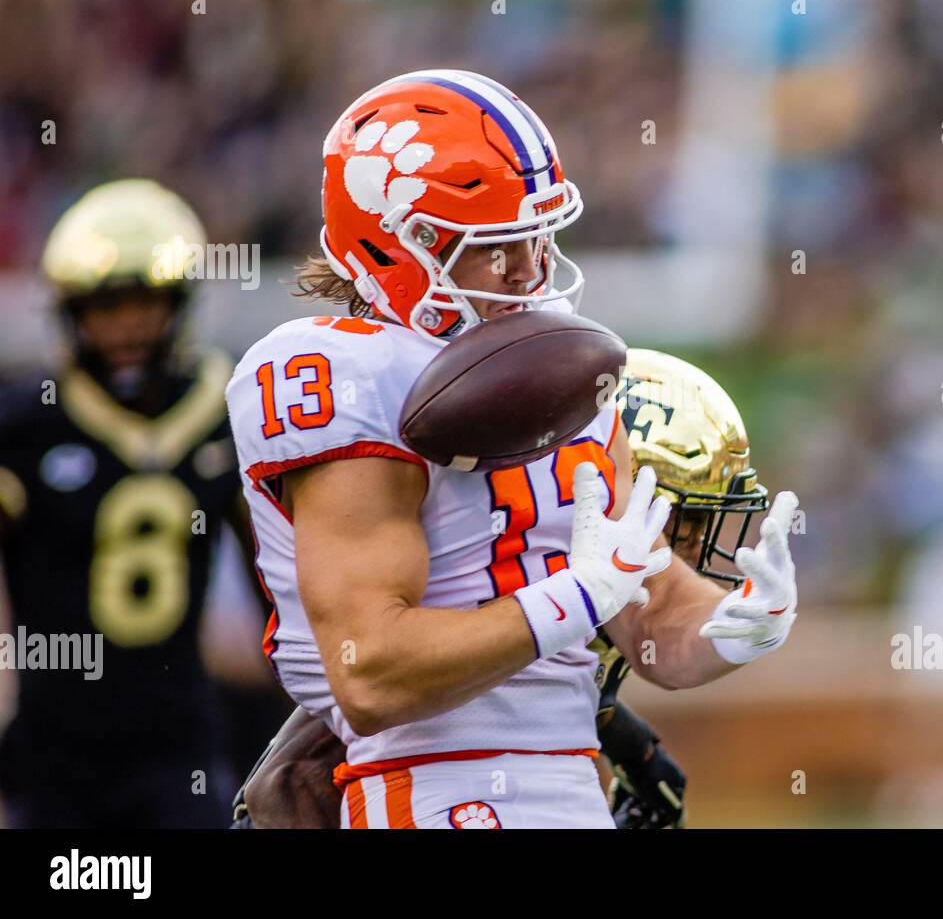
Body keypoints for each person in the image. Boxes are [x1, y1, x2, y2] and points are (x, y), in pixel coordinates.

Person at [224, 70, 800, 828]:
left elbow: (651, 614)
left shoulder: (556, 367)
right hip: (425, 785)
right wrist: (572, 599)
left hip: (564, 783)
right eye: (497, 245)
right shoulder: (344, 374)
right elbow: (371, 673)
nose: (531, 267)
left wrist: (737, 624)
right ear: (405, 243)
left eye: (538, 234)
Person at [231, 347, 772, 829]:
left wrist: (636, 748)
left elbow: (566, 698)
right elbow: (358, 717)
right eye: (685, 522)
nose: (695, 547)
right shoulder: (501, 588)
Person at [0, 180, 257, 827]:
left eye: (144, 303)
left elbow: (276, 577)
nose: (125, 326)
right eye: (105, 307)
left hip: (179, 744)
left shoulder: (228, 410)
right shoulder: (28, 424)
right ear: (70, 312)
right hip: (49, 754)